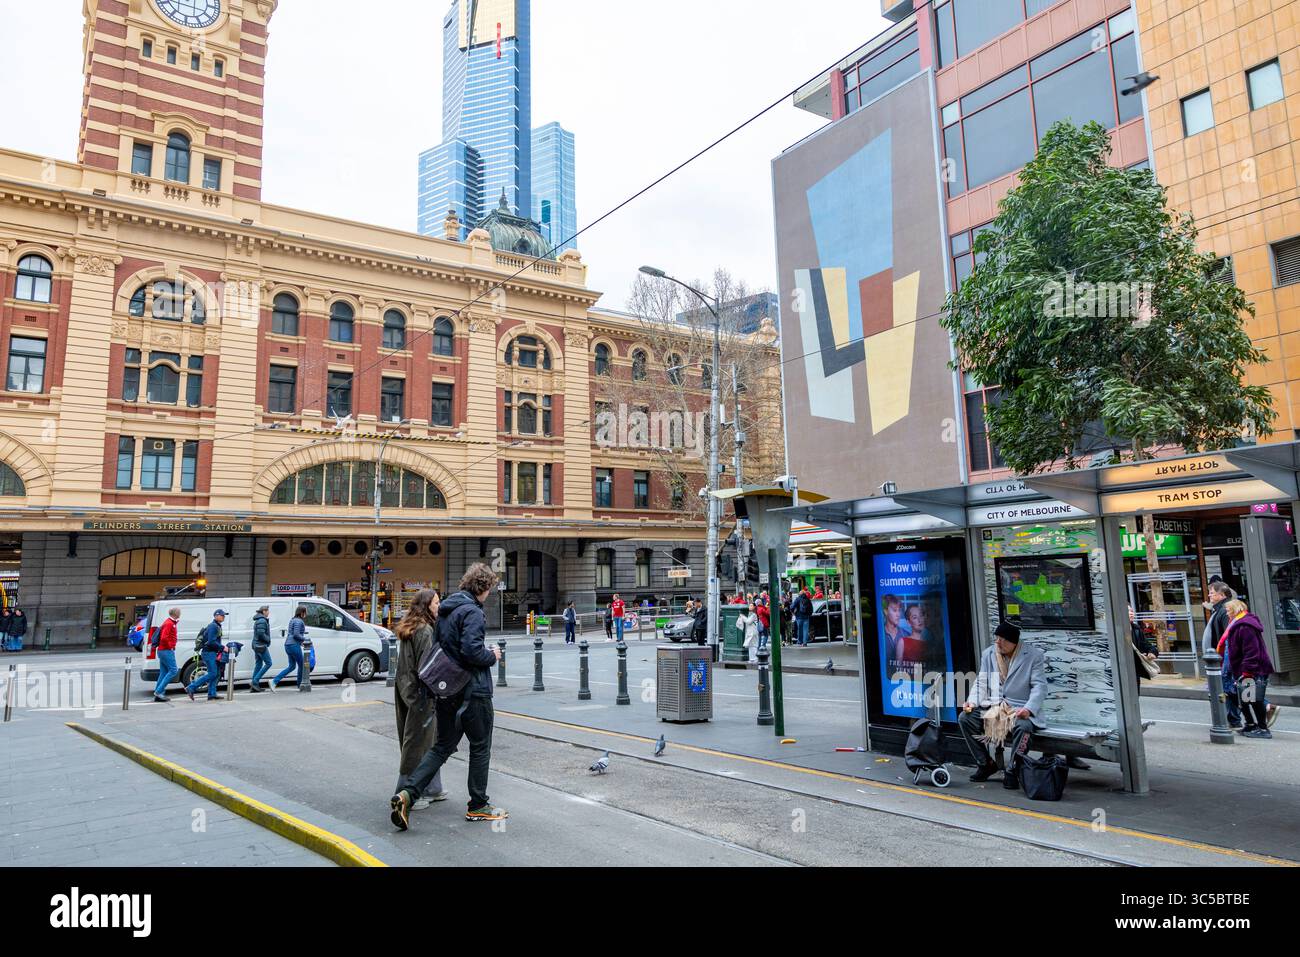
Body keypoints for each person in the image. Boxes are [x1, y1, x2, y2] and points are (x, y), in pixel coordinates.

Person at [391, 563, 507, 828]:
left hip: (447, 691)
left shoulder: (445, 611)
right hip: (473, 691)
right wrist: (492, 656)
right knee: (480, 748)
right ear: (484, 587)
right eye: (490, 588)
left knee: (441, 747)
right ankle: (478, 805)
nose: (490, 593)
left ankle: (407, 794)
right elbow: (471, 651)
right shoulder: (473, 612)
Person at [959, 622, 1047, 789]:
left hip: (1019, 709)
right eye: (997, 638)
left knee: (1024, 727)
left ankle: (1013, 768)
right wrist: (972, 701)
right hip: (994, 708)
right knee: (965, 718)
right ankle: (985, 763)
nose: (998, 643)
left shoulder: (1033, 656)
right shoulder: (989, 653)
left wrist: (1028, 709)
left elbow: (1040, 687)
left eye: (1003, 640)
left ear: (1014, 642)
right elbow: (981, 682)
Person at [393, 589, 449, 810]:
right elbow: (428, 667)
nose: (439, 606)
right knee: (417, 742)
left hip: (406, 687)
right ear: (426, 606)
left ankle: (433, 788)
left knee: (427, 739)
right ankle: (405, 794)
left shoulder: (413, 626)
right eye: (436, 603)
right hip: (420, 693)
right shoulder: (425, 631)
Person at [1219, 599, 1277, 738]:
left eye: (1228, 611)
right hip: (1246, 669)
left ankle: (1262, 728)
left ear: (1235, 610)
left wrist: (1247, 671)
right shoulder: (1242, 624)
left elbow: (1252, 651)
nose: (1227, 614)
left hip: (1253, 670)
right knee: (1245, 699)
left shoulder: (1244, 626)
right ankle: (1251, 725)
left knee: (1254, 700)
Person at [1202, 581, 1239, 726]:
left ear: (1222, 595)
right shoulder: (1219, 609)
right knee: (1227, 688)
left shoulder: (1224, 610)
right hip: (1219, 657)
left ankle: (1234, 719)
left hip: (1223, 657)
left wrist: (1226, 657)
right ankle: (1232, 719)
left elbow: (1228, 636)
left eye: (1212, 592)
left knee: (1227, 688)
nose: (1209, 595)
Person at [185, 609, 226, 702]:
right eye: (222, 615)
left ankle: (212, 694)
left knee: (216, 674)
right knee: (213, 673)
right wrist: (222, 648)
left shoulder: (217, 626)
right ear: (216, 616)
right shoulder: (213, 626)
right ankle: (191, 687)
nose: (223, 617)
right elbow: (211, 641)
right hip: (208, 653)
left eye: (224, 615)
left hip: (211, 652)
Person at [270, 605, 307, 691]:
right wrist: (305, 639)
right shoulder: (299, 621)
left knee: (292, 666)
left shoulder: (293, 620)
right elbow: (296, 634)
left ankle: (274, 681)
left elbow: (292, 634)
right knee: (302, 665)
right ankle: (300, 685)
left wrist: (300, 642)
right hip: (293, 646)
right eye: (305, 612)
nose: (306, 614)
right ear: (302, 612)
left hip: (288, 645)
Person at [150, 606, 181, 702]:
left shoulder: (168, 622)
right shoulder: (170, 624)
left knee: (163, 672)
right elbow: (164, 638)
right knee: (173, 670)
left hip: (162, 650)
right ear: (176, 614)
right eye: (179, 612)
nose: (180, 614)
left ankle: (159, 693)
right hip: (166, 650)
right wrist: (171, 645)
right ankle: (159, 692)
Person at [249, 605, 273, 693]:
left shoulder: (260, 620)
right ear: (263, 611)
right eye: (267, 611)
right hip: (260, 645)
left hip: (257, 645)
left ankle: (254, 686)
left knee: (259, 664)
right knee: (269, 663)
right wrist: (268, 639)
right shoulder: (262, 620)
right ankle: (255, 681)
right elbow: (261, 634)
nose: (268, 612)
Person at [1129, 605, 1158, 681]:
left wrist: (1152, 652)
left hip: (1134, 671)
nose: (1131, 613)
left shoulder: (1136, 629)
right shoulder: (1113, 632)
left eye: (1132, 611)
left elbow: (1147, 645)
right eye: (1128, 611)